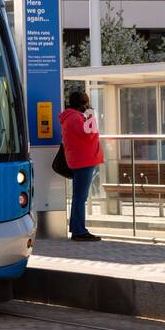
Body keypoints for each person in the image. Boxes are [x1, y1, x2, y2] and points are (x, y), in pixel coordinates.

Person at [59, 89, 104, 242]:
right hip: (84, 160)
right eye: (86, 103)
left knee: (77, 196)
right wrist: (91, 117)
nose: (87, 106)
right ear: (82, 104)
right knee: (80, 197)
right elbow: (90, 134)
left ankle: (76, 228)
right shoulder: (76, 118)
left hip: (78, 159)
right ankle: (79, 231)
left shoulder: (69, 117)